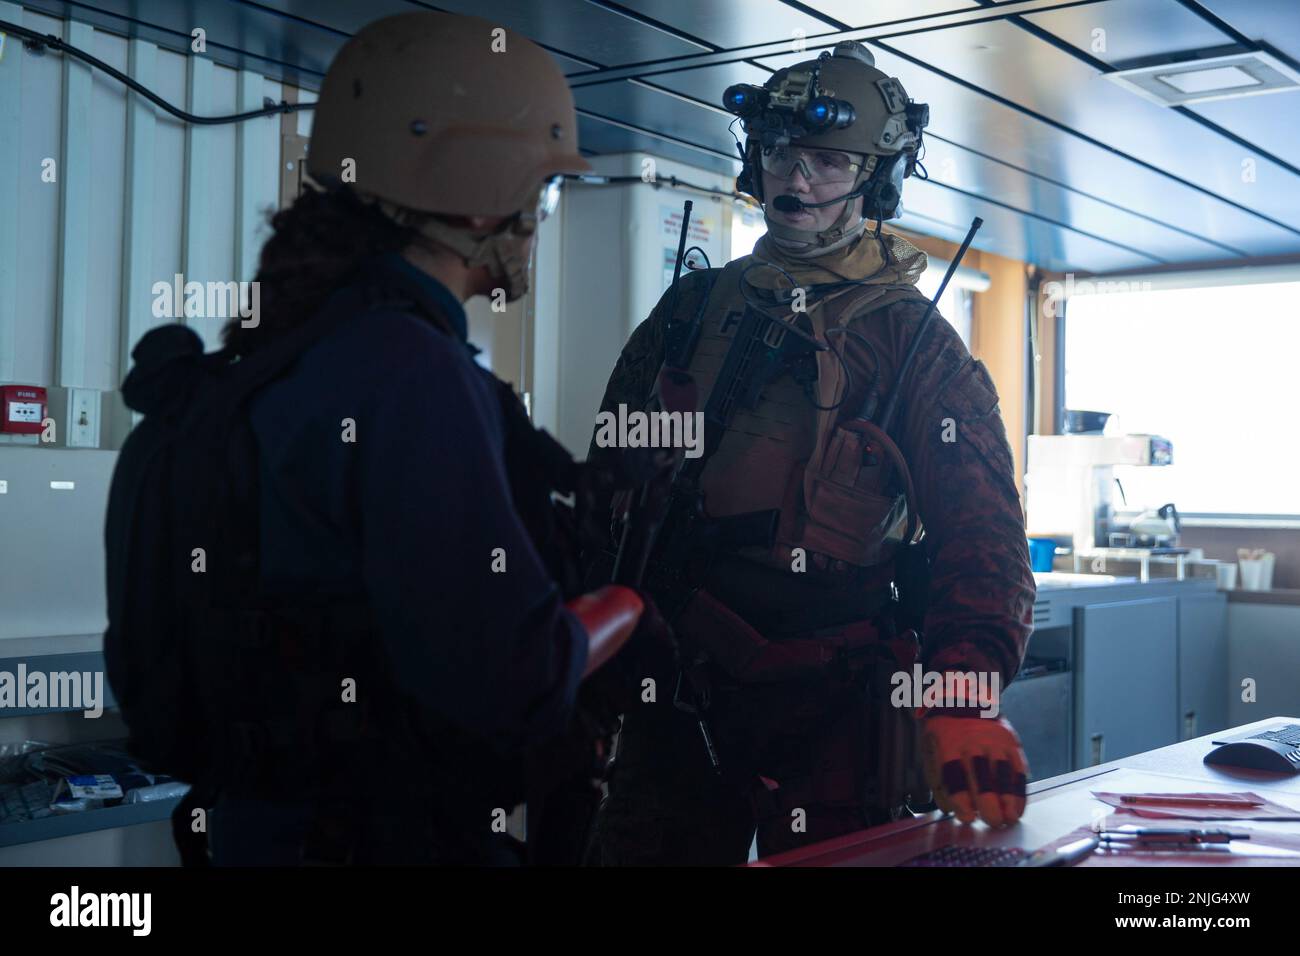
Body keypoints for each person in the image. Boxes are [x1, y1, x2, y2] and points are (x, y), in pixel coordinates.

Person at [115, 11, 650, 866]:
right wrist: (626, 608)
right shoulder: (411, 371)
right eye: (544, 192)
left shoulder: (296, 347)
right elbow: (516, 680)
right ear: (484, 193)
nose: (541, 220)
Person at [586, 41, 1038, 865]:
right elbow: (605, 490)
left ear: (877, 178)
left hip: (838, 704)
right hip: (675, 687)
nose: (795, 180)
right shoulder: (690, 309)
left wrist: (964, 698)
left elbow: (985, 544)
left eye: (828, 161)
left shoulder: (914, 346)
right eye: (780, 153)